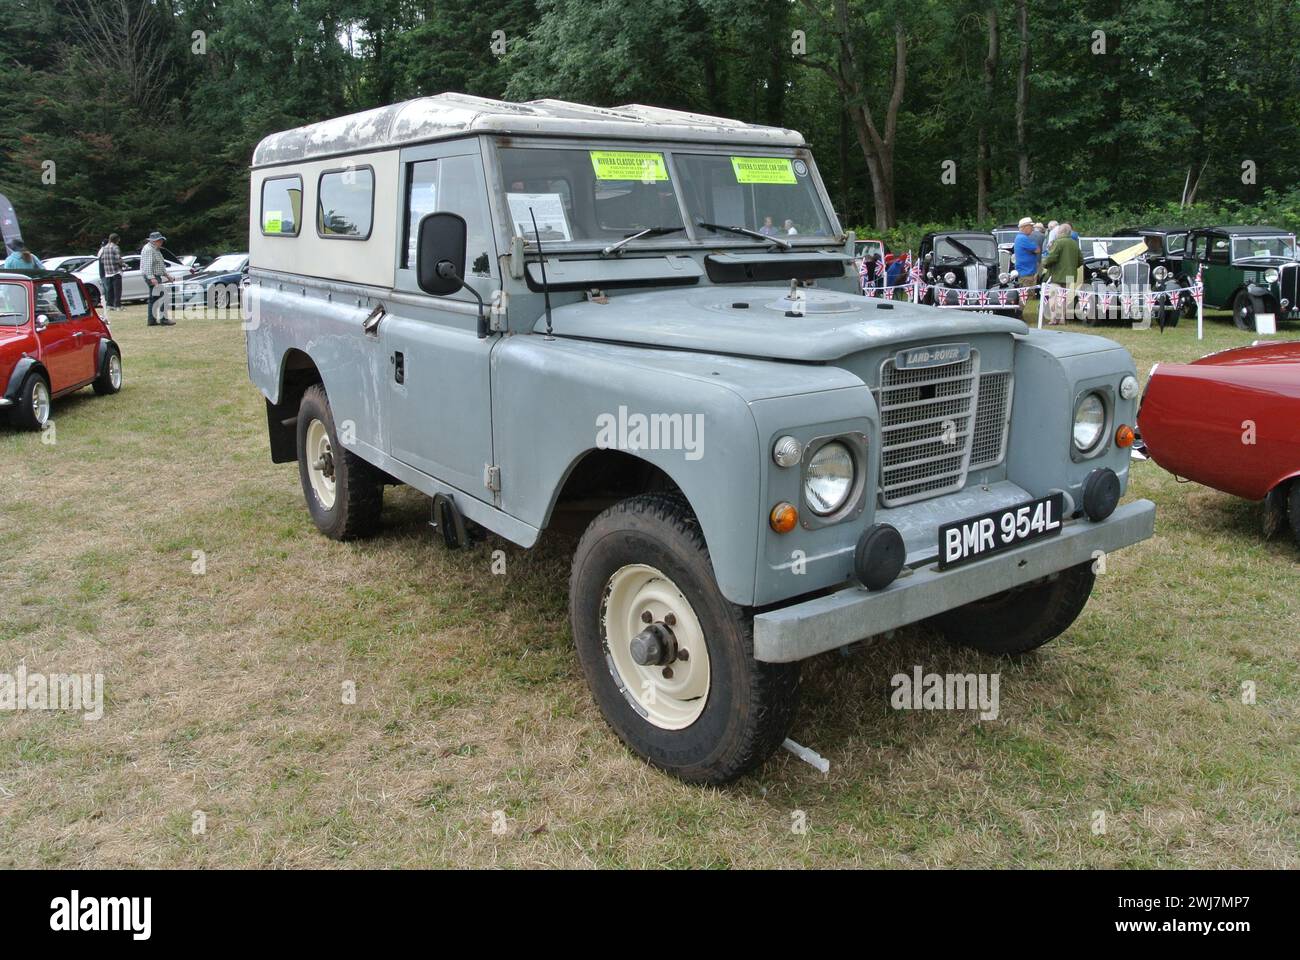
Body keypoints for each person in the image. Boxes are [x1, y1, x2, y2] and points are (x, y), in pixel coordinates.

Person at [1040, 222, 1082, 325]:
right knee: (1064, 297)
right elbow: (1080, 260)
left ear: (1060, 232)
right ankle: (1063, 318)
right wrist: (1072, 267)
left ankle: (1053, 318)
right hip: (1070, 274)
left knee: (1053, 295)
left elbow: (1052, 257)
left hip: (1057, 273)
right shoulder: (1074, 243)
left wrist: (1044, 263)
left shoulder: (1058, 242)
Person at [140, 230, 175, 326]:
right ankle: (163, 319)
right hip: (152, 276)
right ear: (154, 241)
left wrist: (167, 275)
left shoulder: (155, 249)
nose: (162, 242)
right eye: (160, 240)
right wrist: (152, 279)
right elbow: (147, 266)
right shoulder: (149, 250)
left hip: (155, 275)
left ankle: (151, 321)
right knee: (163, 296)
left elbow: (159, 265)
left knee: (154, 299)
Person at [1013, 217, 1040, 319]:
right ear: (1024, 227)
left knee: (1024, 294)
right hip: (1026, 272)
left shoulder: (1020, 238)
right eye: (1031, 226)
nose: (1032, 229)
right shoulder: (1023, 238)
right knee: (1025, 294)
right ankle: (1018, 314)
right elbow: (1037, 249)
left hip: (1024, 270)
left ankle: (1018, 313)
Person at [97, 233, 125, 310]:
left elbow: (102, 260)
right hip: (116, 271)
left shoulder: (104, 248)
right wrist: (123, 264)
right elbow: (117, 259)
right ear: (116, 239)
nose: (119, 241)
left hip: (107, 272)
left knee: (110, 290)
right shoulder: (115, 247)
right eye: (118, 239)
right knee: (117, 290)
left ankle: (109, 305)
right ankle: (118, 306)